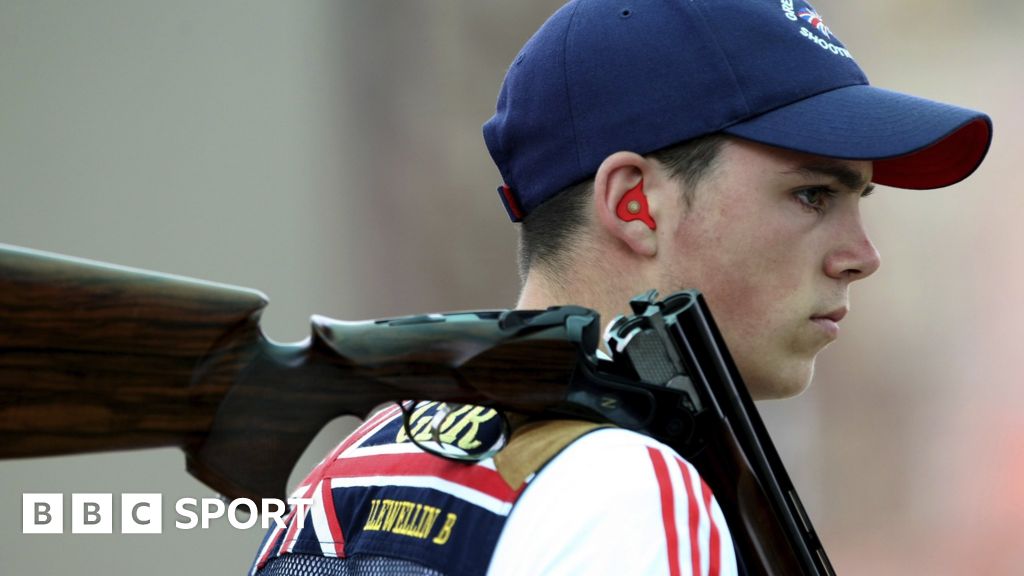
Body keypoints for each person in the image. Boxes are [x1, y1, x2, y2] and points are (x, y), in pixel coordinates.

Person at [249, 0, 991, 574]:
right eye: (812, 195)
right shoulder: (634, 489)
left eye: (859, 201)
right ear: (635, 204)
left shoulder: (357, 463)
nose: (862, 255)